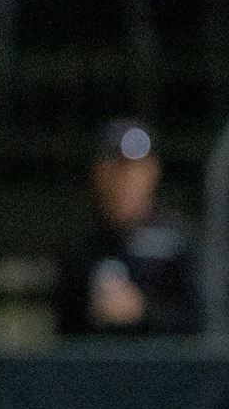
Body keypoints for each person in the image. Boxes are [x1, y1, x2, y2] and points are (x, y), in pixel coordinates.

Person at [54, 119, 202, 336]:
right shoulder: (81, 248)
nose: (127, 180)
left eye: (136, 169)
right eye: (117, 168)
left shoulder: (178, 241)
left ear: (152, 171)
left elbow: (203, 325)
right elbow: (65, 336)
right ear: (98, 173)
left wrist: (142, 311)